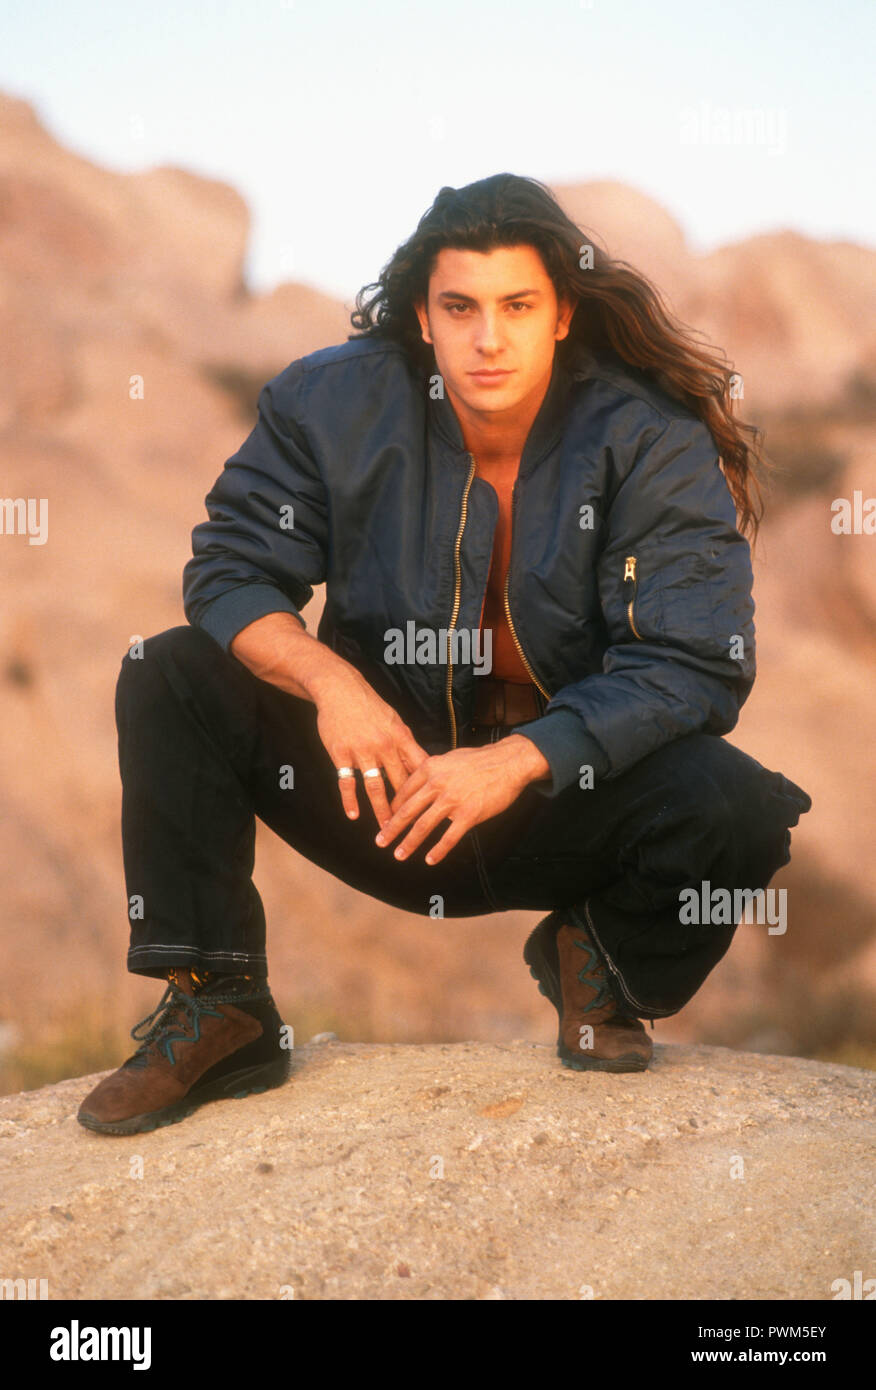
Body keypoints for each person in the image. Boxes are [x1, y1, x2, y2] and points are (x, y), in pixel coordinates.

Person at [78, 173, 811, 1136]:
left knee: (742, 809)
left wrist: (516, 762)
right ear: (422, 316)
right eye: (459, 307)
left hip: (560, 800)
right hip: (386, 789)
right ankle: (219, 1007)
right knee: (169, 670)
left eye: (517, 306)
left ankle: (596, 957)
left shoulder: (646, 437)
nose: (487, 338)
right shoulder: (330, 403)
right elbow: (230, 571)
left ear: (562, 315)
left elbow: (697, 660)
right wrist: (333, 686)